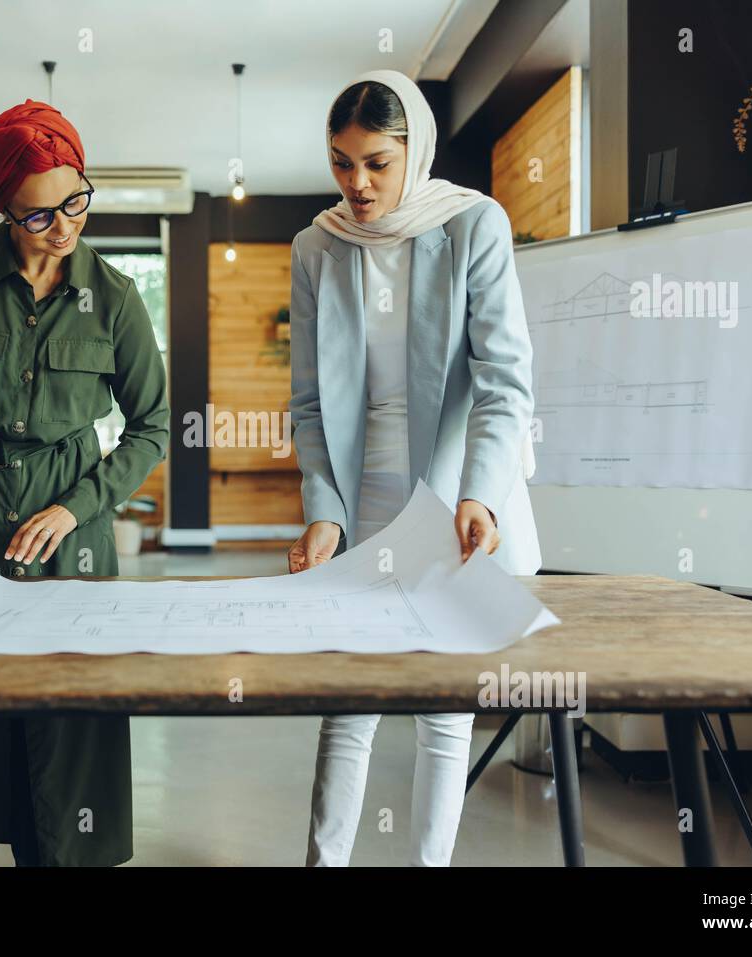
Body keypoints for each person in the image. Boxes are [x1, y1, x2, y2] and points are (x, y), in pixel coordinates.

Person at [0, 99, 169, 866]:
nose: (65, 226)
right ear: (3, 209)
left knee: (64, 739)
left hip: (69, 544)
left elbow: (153, 426)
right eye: (41, 215)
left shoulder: (115, 298)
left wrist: (74, 507)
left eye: (76, 200)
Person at [286, 69, 541, 866]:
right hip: (363, 497)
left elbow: (504, 384)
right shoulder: (316, 248)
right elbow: (309, 405)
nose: (356, 184)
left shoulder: (472, 226)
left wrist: (482, 498)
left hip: (461, 493)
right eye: (340, 161)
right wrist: (324, 510)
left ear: (414, 151)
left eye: (375, 162)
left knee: (444, 710)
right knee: (349, 702)